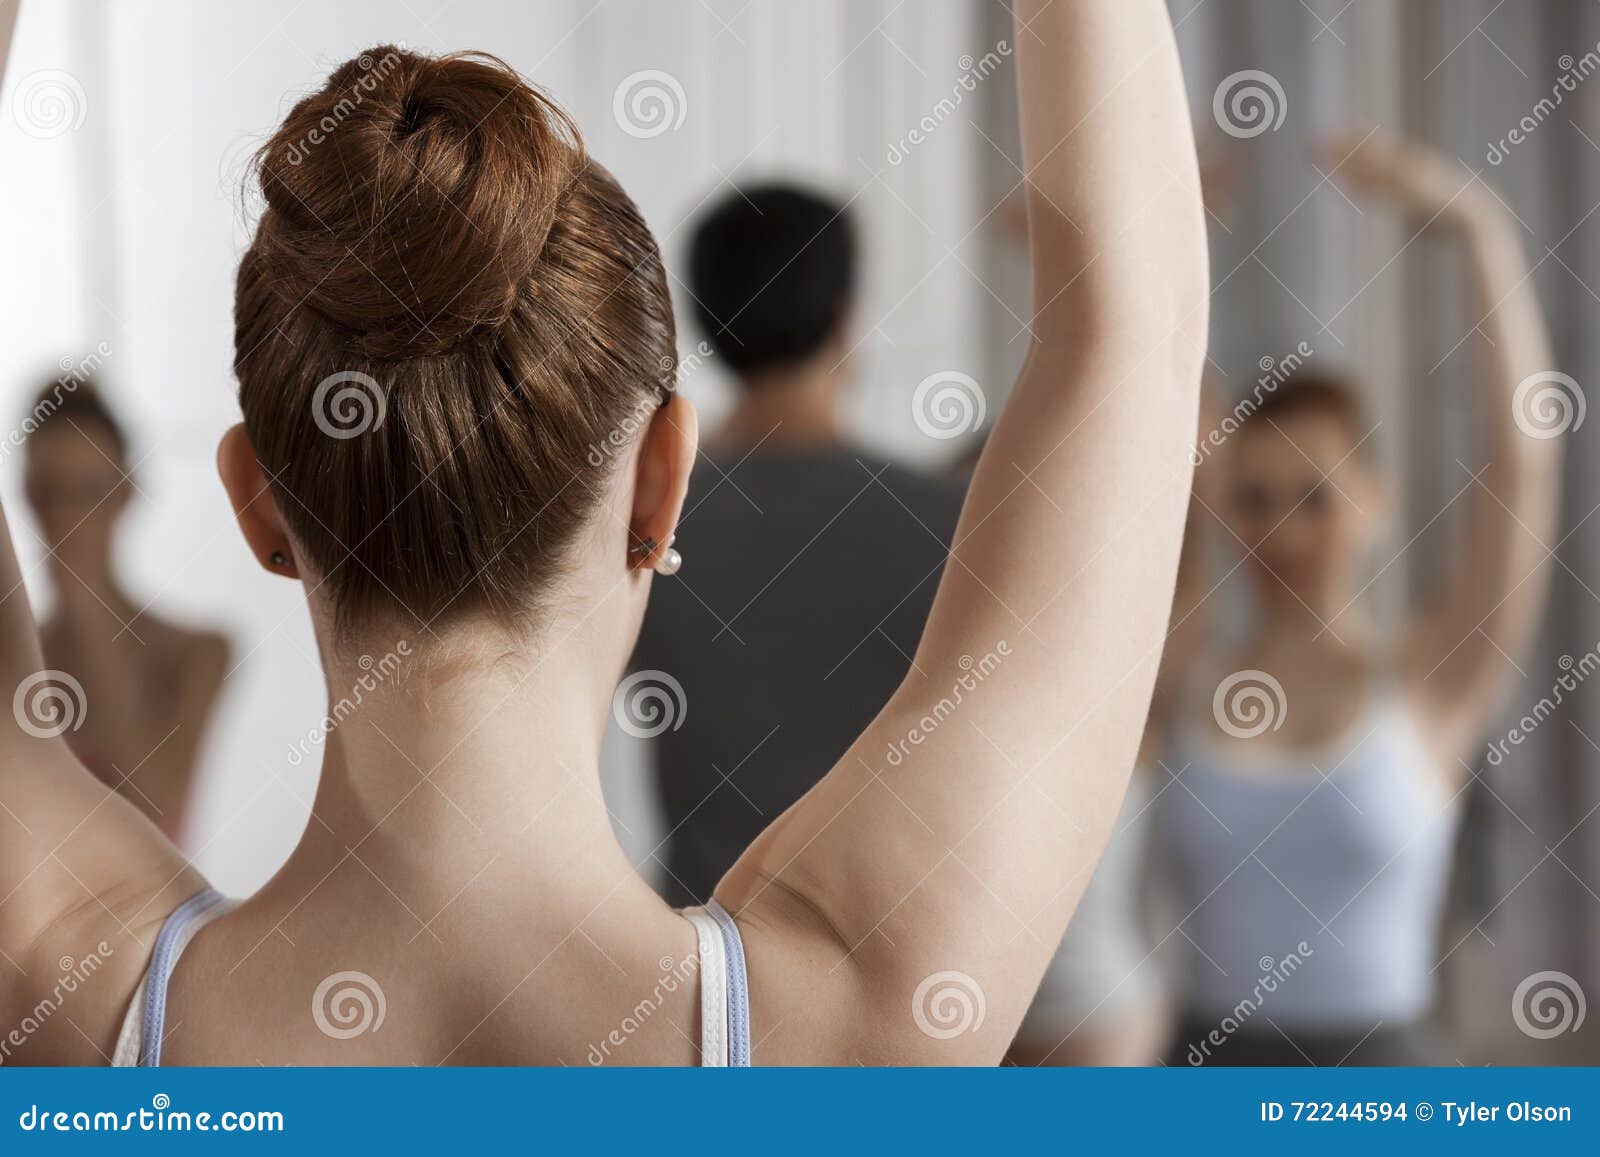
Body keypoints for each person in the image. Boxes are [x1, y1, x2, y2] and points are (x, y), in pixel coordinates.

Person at [0, 0, 1207, 1066]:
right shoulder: (857, 1008)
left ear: (258, 500)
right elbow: (1126, 337)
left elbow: (1123, 339)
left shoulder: (66, 993)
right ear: (660, 483)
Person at [1160, 133, 1563, 1066]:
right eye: (1254, 500)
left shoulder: (1430, 680)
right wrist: (1162, 243)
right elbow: (1153, 435)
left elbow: (1526, 458)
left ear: (1375, 504)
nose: (1285, 532)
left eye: (1315, 498)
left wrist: (1479, 225)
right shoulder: (1179, 674)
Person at [632, 183, 967, 909]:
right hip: (904, 952)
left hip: (701, 964)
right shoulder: (954, 520)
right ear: (845, 312)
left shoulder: (648, 528)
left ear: (706, 322)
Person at [20, 381, 230, 841]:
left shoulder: (197, 652)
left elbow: (152, 806)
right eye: (49, 492)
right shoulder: (13, 661)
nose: (67, 516)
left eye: (89, 492)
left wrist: (86, 605)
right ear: (28, 498)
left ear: (126, 493)